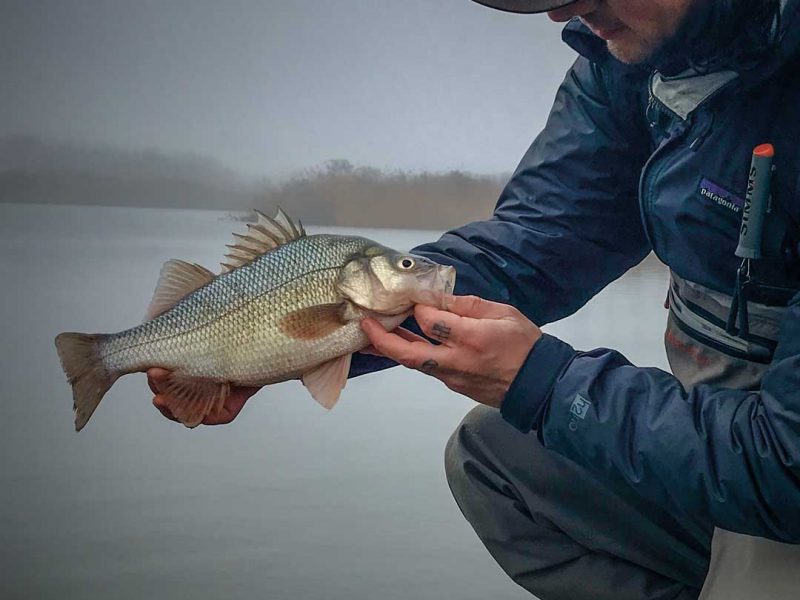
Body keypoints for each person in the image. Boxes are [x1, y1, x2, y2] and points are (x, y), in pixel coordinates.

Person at [149, 1, 800, 598]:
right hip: (727, 445)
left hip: (781, 472)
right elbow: (539, 239)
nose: (564, 9)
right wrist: (279, 351)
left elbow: (789, 466)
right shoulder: (632, 59)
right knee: (496, 461)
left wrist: (544, 382)